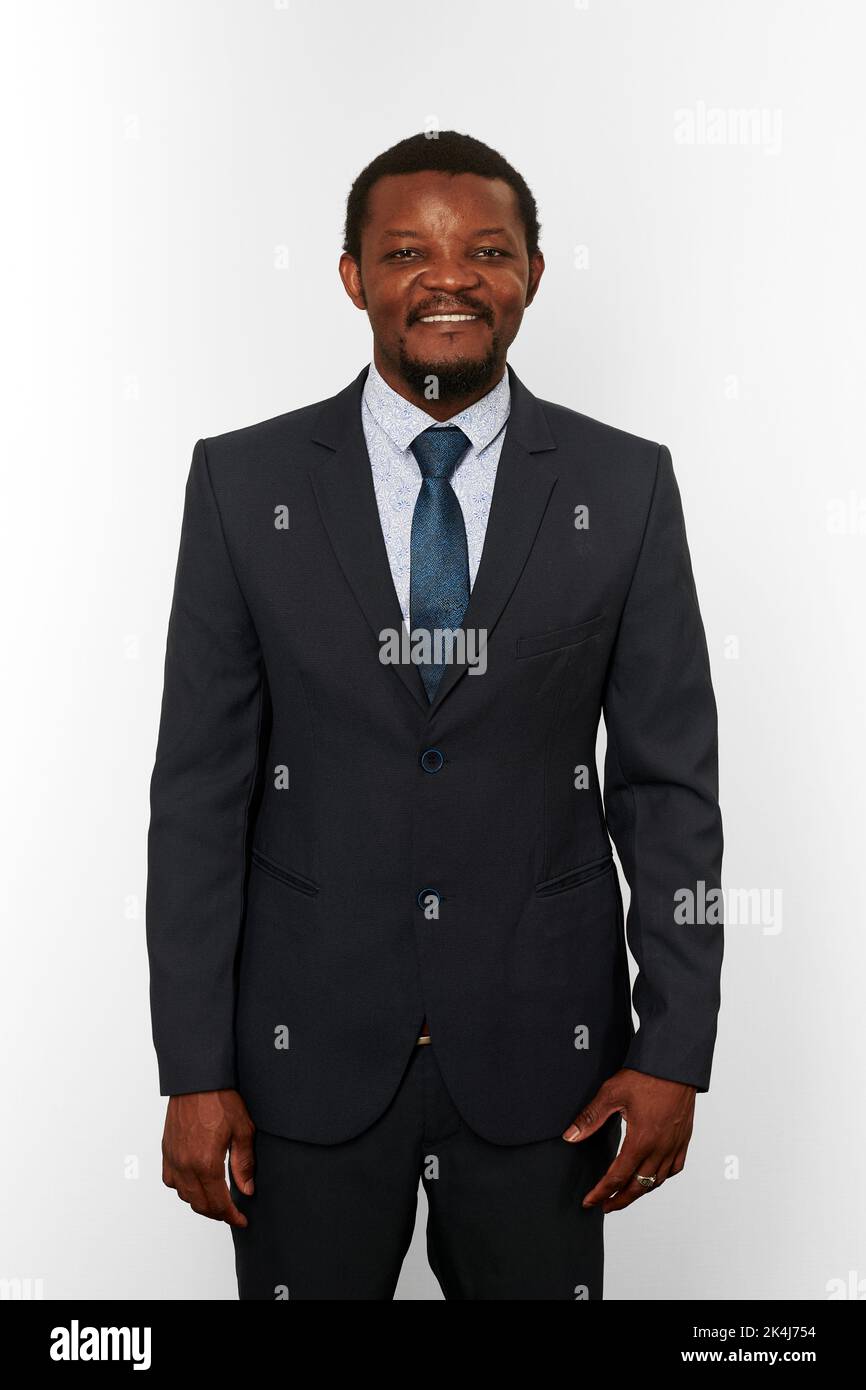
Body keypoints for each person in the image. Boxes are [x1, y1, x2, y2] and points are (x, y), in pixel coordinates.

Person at [146, 130, 724, 1301]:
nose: (447, 278)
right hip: (298, 1060)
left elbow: (668, 790)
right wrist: (192, 1065)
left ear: (531, 275)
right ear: (353, 275)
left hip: (542, 1063)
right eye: (407, 250)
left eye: (486, 251)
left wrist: (675, 1049)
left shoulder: (624, 487)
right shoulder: (240, 482)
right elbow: (199, 799)